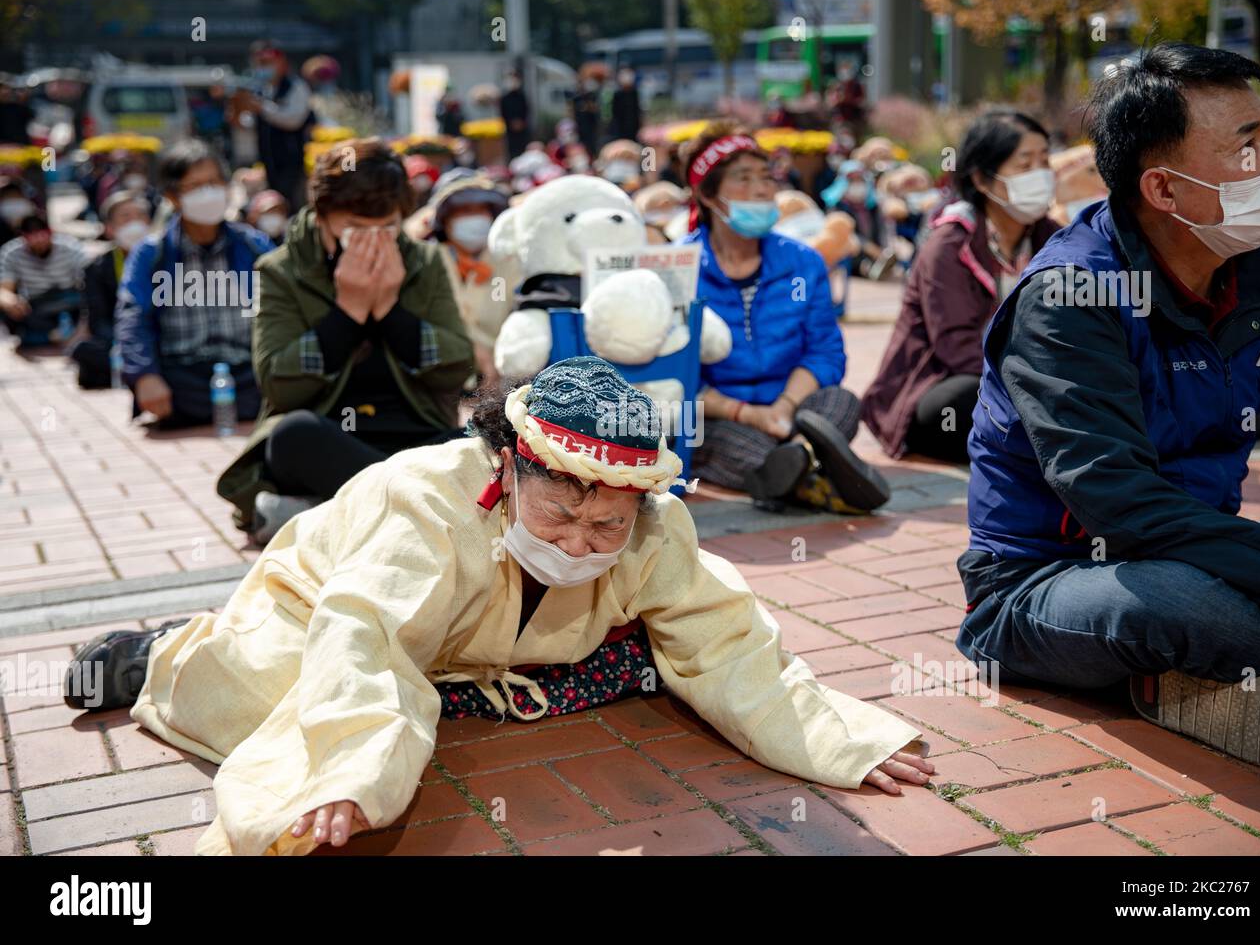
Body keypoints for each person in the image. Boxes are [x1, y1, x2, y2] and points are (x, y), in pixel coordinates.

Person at [63, 356, 935, 855]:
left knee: (662, 657)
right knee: (265, 693)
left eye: (608, 523)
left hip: (469, 648)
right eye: (558, 512)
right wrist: (352, 775)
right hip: (321, 605)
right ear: (507, 467)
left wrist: (838, 740)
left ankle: (477, 683)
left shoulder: (656, 524)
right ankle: (161, 652)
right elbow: (364, 635)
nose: (581, 541)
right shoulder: (424, 497)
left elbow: (730, 639)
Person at [957, 43, 1260, 767]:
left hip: (1205, 543)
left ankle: (1235, 679)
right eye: (1246, 148)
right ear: (1164, 189)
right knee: (1178, 604)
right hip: (1053, 580)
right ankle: (1247, 671)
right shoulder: (1070, 297)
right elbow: (1121, 506)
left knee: (1224, 585)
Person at [214, 138, 474, 543]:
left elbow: (457, 370)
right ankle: (416, 512)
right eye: (355, 230)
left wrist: (390, 310)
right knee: (292, 434)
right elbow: (279, 385)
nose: (372, 241)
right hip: (331, 437)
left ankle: (332, 513)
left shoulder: (422, 262)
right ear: (323, 216)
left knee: (481, 442)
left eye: (385, 228)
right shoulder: (282, 271)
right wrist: (348, 313)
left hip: (414, 436)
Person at [680, 123, 890, 514]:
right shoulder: (680, 269)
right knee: (705, 435)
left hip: (794, 410)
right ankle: (820, 473)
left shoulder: (802, 261)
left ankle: (795, 469)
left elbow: (824, 352)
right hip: (722, 414)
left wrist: (784, 407)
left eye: (766, 178)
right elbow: (676, 375)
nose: (762, 189)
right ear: (708, 195)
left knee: (841, 402)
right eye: (744, 179)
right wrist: (748, 413)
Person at [860, 112, 1060, 464]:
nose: (1041, 174)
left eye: (1044, 160)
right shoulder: (950, 246)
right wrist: (1037, 381)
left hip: (1033, 379)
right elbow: (956, 347)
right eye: (1025, 163)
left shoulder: (1053, 238)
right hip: (942, 382)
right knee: (964, 402)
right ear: (982, 178)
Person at [114, 139, 274, 429]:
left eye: (214, 183)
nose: (208, 193)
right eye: (195, 186)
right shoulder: (152, 252)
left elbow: (284, 307)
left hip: (247, 372)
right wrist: (145, 375)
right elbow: (133, 316)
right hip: (182, 374)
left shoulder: (253, 244)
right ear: (173, 197)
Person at [426, 172, 512, 390]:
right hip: (442, 381)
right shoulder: (427, 260)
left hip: (503, 382)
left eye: (481, 210)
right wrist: (472, 348)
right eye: (464, 211)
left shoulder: (509, 260)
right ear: (444, 219)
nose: (474, 218)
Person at [70, 191, 151, 388]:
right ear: (109, 229)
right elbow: (98, 320)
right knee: (83, 351)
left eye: (140, 216)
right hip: (118, 341)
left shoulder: (165, 259)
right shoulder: (96, 268)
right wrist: (127, 343)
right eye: (126, 217)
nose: (135, 223)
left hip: (159, 337)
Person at [0, 211, 87, 347]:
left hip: (70, 298)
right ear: (23, 237)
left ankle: (61, 334)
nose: (39, 240)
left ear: (50, 232)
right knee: (15, 321)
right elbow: (4, 290)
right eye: (32, 236)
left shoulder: (69, 246)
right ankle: (54, 336)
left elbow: (86, 280)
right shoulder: (11, 252)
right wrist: (11, 302)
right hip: (37, 304)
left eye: (42, 234)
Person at [244, 40, 313, 210]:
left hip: (291, 164)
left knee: (290, 207)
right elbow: (248, 123)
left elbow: (293, 120)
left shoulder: (296, 87)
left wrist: (261, 108)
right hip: (266, 163)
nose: (263, 67)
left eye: (267, 62)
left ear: (282, 63)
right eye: (259, 63)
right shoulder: (259, 89)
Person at [500, 71, 531, 161]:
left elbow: (527, 110)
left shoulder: (522, 96)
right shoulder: (505, 98)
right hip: (510, 130)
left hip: (522, 129)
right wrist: (511, 123)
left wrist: (521, 122)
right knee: (512, 151)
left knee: (523, 149)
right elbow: (503, 113)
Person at [609, 67, 642, 142]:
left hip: (633, 126)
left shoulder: (634, 93)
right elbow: (615, 113)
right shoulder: (617, 94)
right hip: (620, 128)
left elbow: (637, 110)